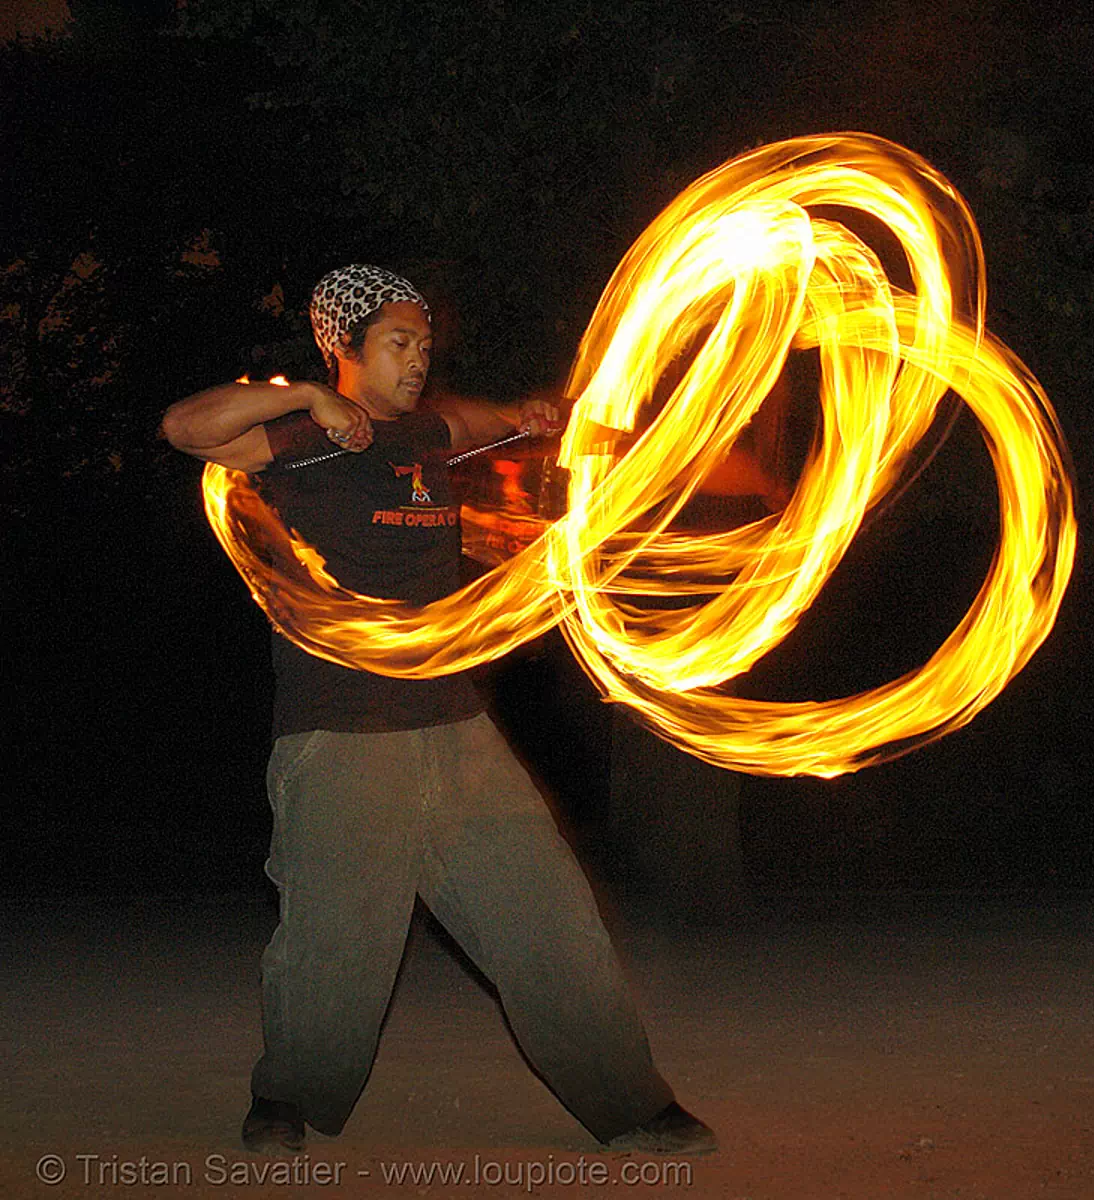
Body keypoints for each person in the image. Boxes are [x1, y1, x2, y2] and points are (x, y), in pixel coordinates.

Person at [160, 264, 716, 1158]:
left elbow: (482, 421)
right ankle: (287, 1100)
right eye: (398, 343)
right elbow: (185, 427)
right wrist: (304, 396)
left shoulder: (427, 432)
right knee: (336, 942)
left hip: (456, 731)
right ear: (345, 349)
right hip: (340, 734)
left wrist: (531, 415)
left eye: (423, 343)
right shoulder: (299, 440)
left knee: (548, 915)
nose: (417, 359)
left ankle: (631, 1102)